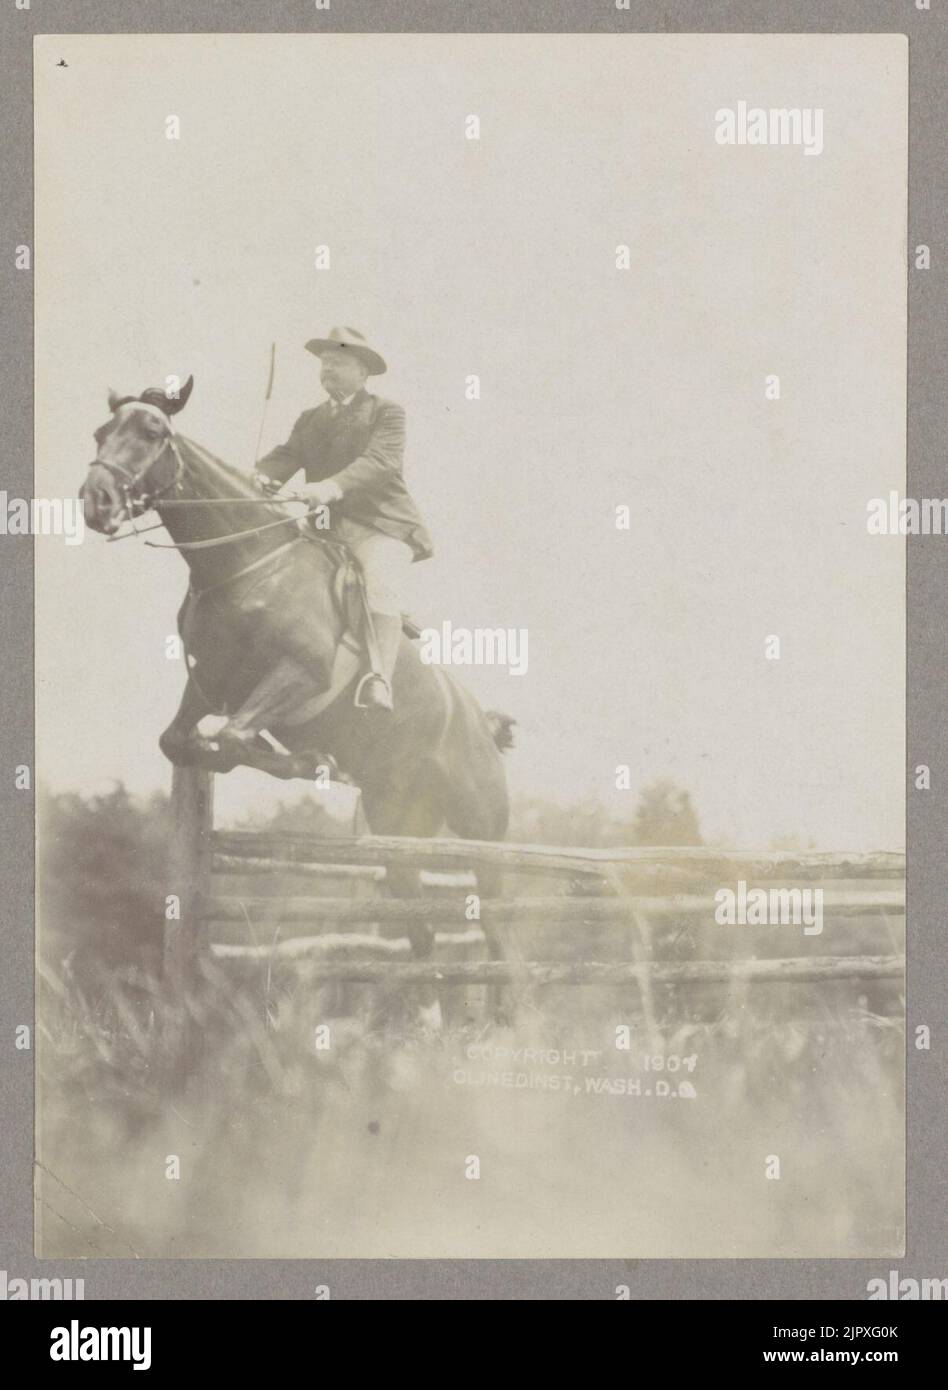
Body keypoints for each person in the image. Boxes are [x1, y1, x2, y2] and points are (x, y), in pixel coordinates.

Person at [255, 327, 433, 713]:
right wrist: (258, 477)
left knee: (381, 578)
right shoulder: (310, 419)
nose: (328, 369)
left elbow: (380, 463)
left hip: (378, 525)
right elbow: (286, 456)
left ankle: (378, 677)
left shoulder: (386, 412)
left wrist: (331, 487)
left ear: (363, 373)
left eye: (337, 362)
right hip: (323, 529)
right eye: (324, 363)